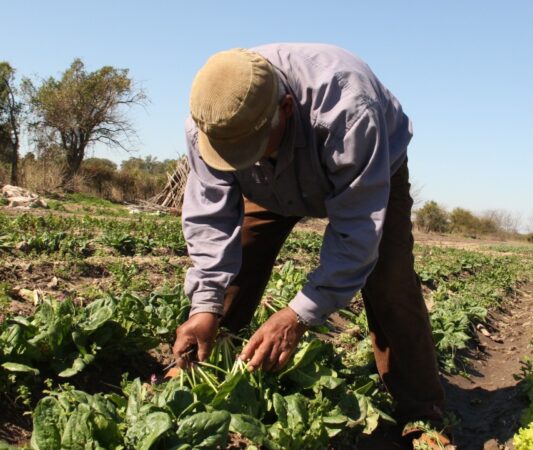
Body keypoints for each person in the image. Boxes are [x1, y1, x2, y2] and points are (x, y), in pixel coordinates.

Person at [172, 43, 449, 447]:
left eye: (248, 149)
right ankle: (202, 363)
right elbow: (210, 219)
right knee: (241, 256)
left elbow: (356, 234)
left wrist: (297, 315)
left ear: (285, 108)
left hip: (362, 168)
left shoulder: (348, 110)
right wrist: (203, 306)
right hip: (269, 181)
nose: (238, 158)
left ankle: (422, 413)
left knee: (389, 280)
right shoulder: (212, 120)